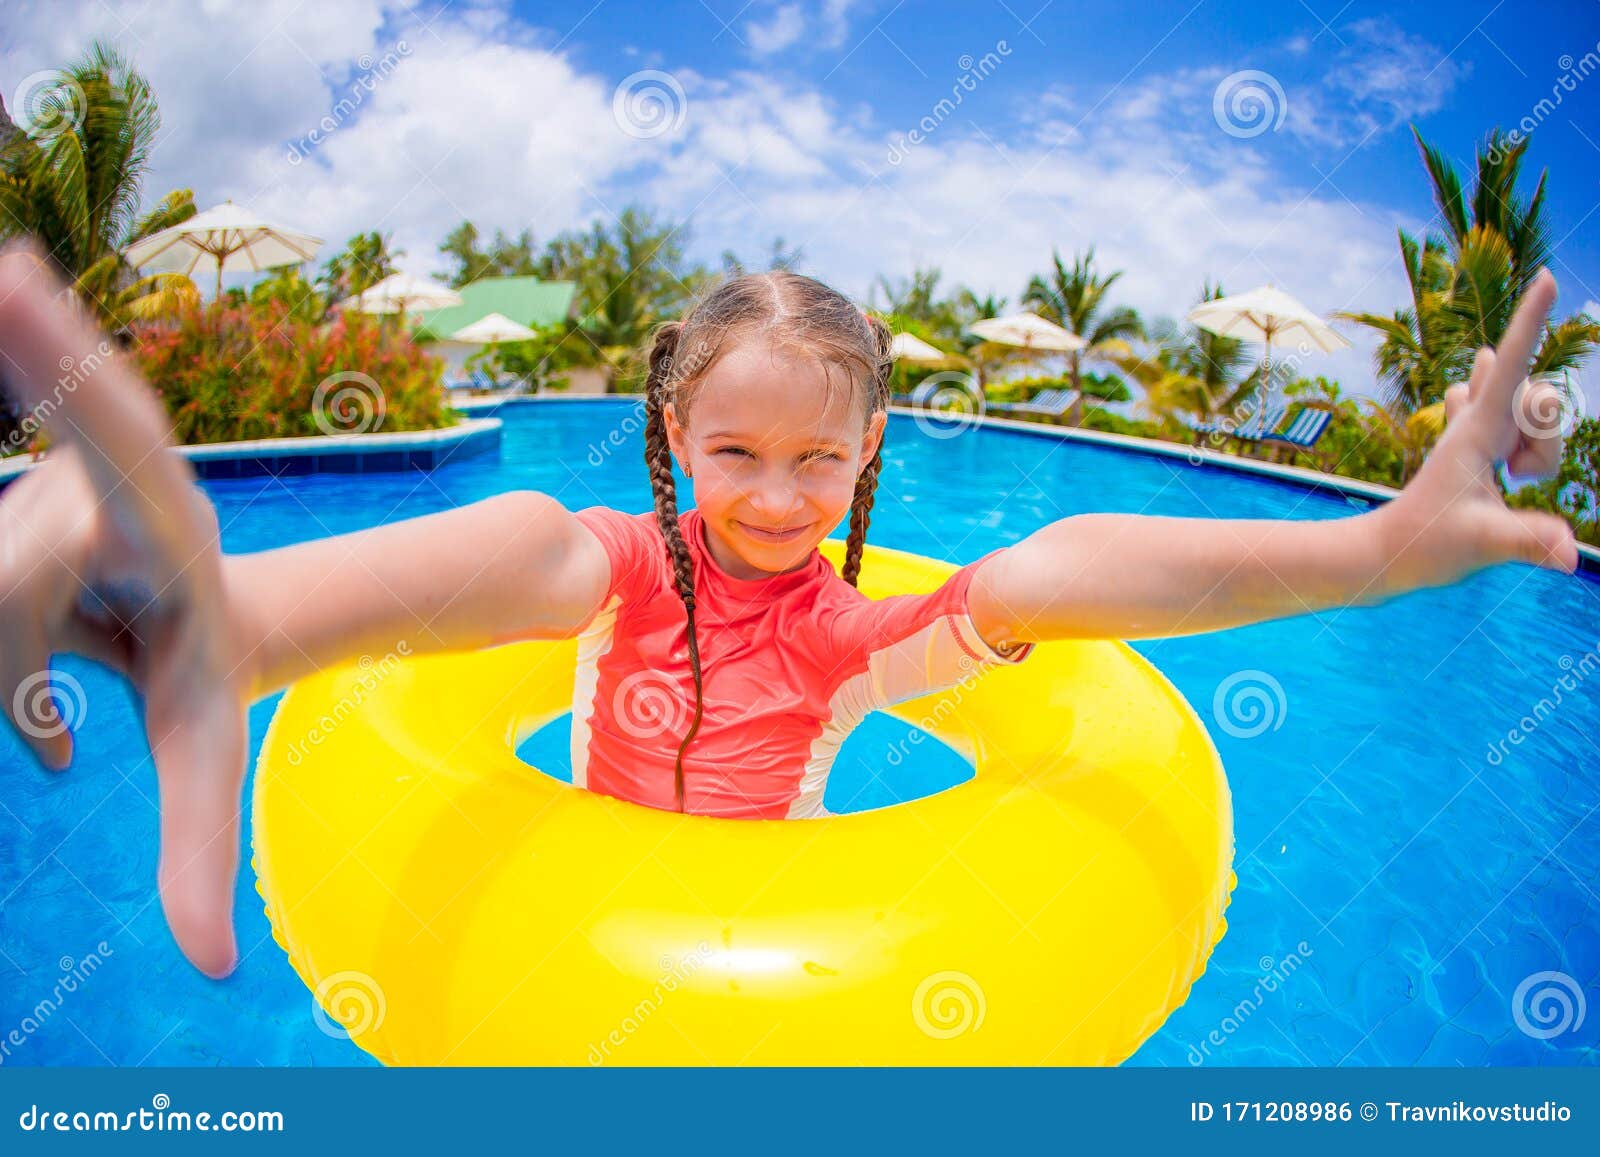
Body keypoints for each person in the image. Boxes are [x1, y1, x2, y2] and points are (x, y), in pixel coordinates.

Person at [0, 243, 1576, 979]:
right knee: (535, 535)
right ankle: (218, 626)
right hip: (567, 927)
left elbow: (1065, 577)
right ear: (674, 433)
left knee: (1022, 593)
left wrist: (1377, 550)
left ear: (870, 452)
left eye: (819, 460)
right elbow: (511, 564)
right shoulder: (612, 563)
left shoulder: (847, 641)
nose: (772, 496)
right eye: (734, 452)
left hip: (794, 973)